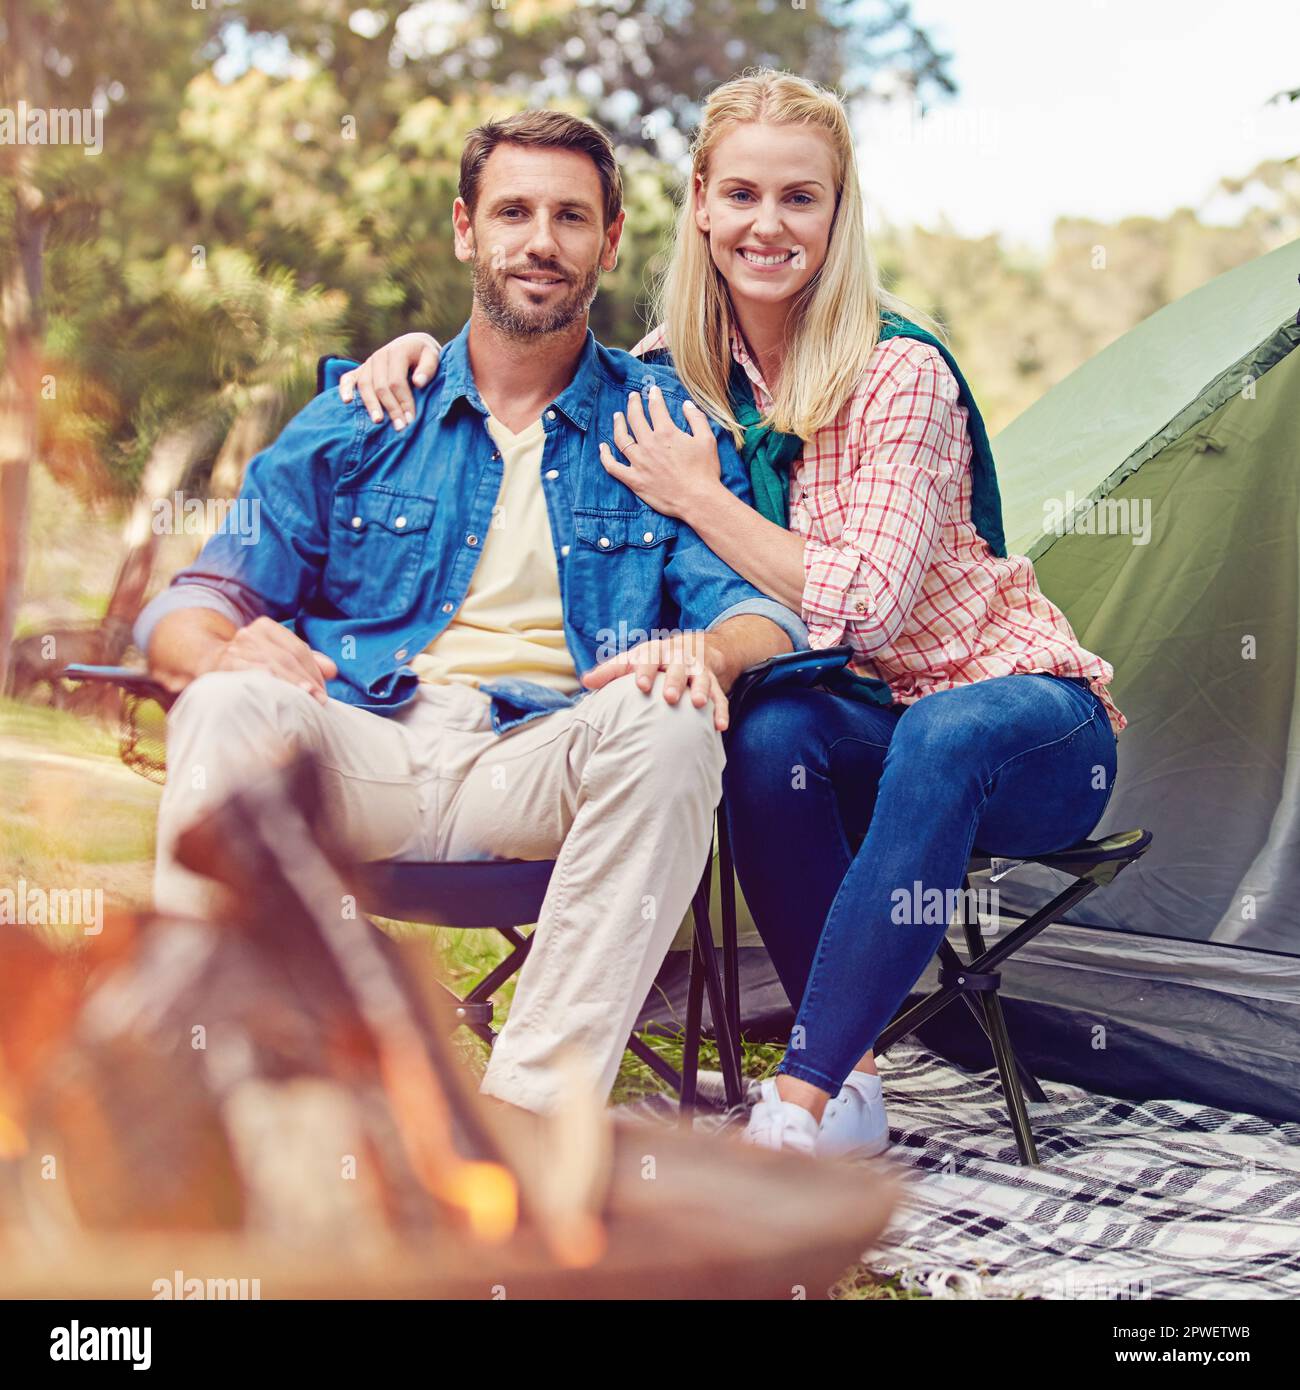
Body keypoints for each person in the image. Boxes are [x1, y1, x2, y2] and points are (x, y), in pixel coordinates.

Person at [344, 71, 1128, 1160]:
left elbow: (863, 601)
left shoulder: (899, 371)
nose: (768, 224)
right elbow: (532, 368)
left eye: (800, 199)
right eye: (744, 194)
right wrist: (416, 362)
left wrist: (701, 496)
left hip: (1023, 730)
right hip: (860, 730)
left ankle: (793, 1110)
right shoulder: (674, 378)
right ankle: (848, 1085)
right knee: (769, 735)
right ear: (701, 203)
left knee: (945, 732)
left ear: (836, 213)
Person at [134, 108, 808, 1118]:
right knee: (226, 706)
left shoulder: (658, 425)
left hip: (537, 759)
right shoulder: (365, 412)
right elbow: (192, 601)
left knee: (672, 725)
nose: (541, 241)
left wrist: (708, 652)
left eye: (571, 217)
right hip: (363, 748)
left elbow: (762, 611)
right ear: (466, 228)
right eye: (514, 212)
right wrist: (226, 646)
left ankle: (526, 1120)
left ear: (609, 241)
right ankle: (211, 1100)